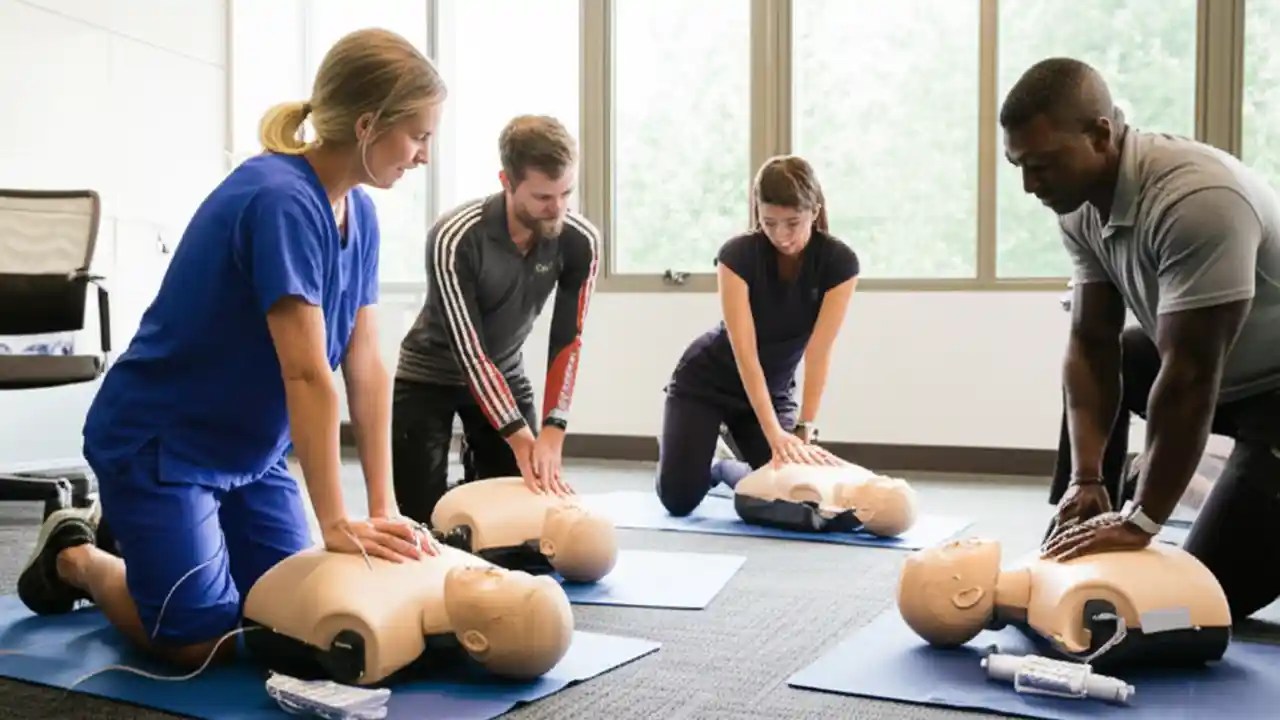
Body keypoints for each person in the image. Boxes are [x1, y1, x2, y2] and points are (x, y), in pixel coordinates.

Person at [15, 28, 447, 671]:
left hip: (251, 451)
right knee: (200, 639)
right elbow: (307, 376)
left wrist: (383, 509)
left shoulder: (359, 211)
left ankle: (144, 537)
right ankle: (75, 556)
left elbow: (365, 365)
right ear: (366, 125)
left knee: (282, 614)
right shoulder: (279, 199)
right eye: (419, 136)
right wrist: (335, 523)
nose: (423, 156)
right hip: (163, 443)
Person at [1001, 57, 1280, 619]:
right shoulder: (1078, 203)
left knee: (1195, 602)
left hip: (1271, 395)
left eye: (1044, 165)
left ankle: (1162, 499)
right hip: (1224, 379)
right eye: (1019, 166)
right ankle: (1087, 513)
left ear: (1102, 134)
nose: (1030, 186)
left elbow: (1190, 378)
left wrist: (1146, 520)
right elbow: (1091, 341)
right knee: (1127, 351)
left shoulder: (1197, 201)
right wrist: (1084, 477)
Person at [392, 115, 600, 525]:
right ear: (507, 181)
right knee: (422, 519)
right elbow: (469, 352)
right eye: (543, 197)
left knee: (517, 519)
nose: (557, 208)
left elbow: (568, 339)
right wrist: (521, 437)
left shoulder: (580, 241)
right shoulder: (454, 236)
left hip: (504, 375)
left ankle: (480, 463)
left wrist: (553, 431)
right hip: (427, 379)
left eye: (566, 193)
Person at [655, 155, 859, 517]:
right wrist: (774, 435)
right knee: (679, 500)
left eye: (793, 223)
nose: (782, 235)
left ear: (815, 210)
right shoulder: (737, 256)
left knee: (793, 489)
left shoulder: (838, 263)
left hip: (772, 389)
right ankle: (708, 459)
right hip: (706, 382)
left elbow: (819, 352)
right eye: (769, 223)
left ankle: (725, 466)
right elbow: (745, 353)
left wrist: (801, 432)